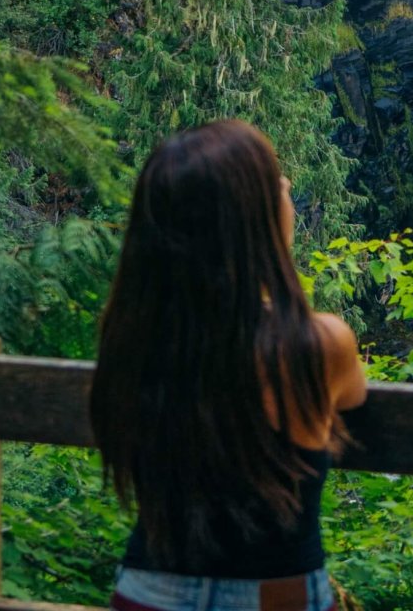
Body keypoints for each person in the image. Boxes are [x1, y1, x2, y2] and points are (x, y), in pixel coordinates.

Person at [90, 120, 368, 611]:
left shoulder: (130, 341)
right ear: (250, 218)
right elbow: (353, 398)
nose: (287, 189)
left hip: (147, 594)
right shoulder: (317, 344)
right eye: (276, 183)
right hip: (277, 599)